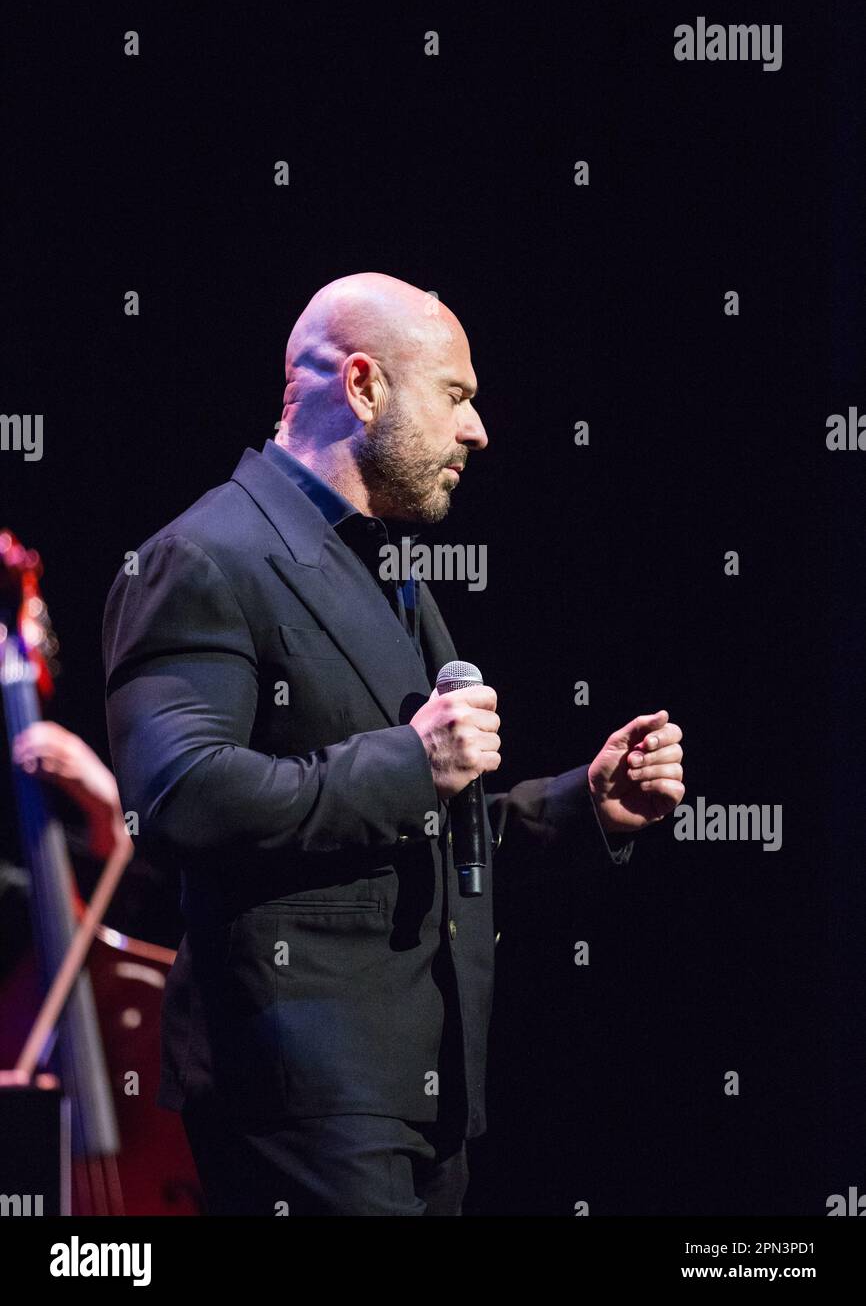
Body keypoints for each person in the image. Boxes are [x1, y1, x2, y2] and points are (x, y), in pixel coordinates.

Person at [102, 272, 685, 1215]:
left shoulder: (387, 571)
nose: (478, 430)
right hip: (298, 1087)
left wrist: (585, 801)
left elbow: (418, 822)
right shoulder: (205, 556)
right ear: (365, 386)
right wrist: (415, 762)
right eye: (456, 396)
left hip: (424, 1092)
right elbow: (179, 799)